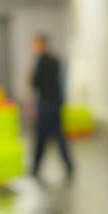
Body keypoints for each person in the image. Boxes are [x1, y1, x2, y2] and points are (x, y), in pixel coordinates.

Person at [30, 33, 73, 180]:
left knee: (42, 136)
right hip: (56, 102)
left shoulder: (41, 62)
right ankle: (69, 166)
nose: (34, 47)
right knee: (58, 135)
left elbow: (36, 83)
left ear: (42, 44)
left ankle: (35, 167)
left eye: (35, 44)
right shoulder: (55, 61)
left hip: (46, 103)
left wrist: (31, 77)